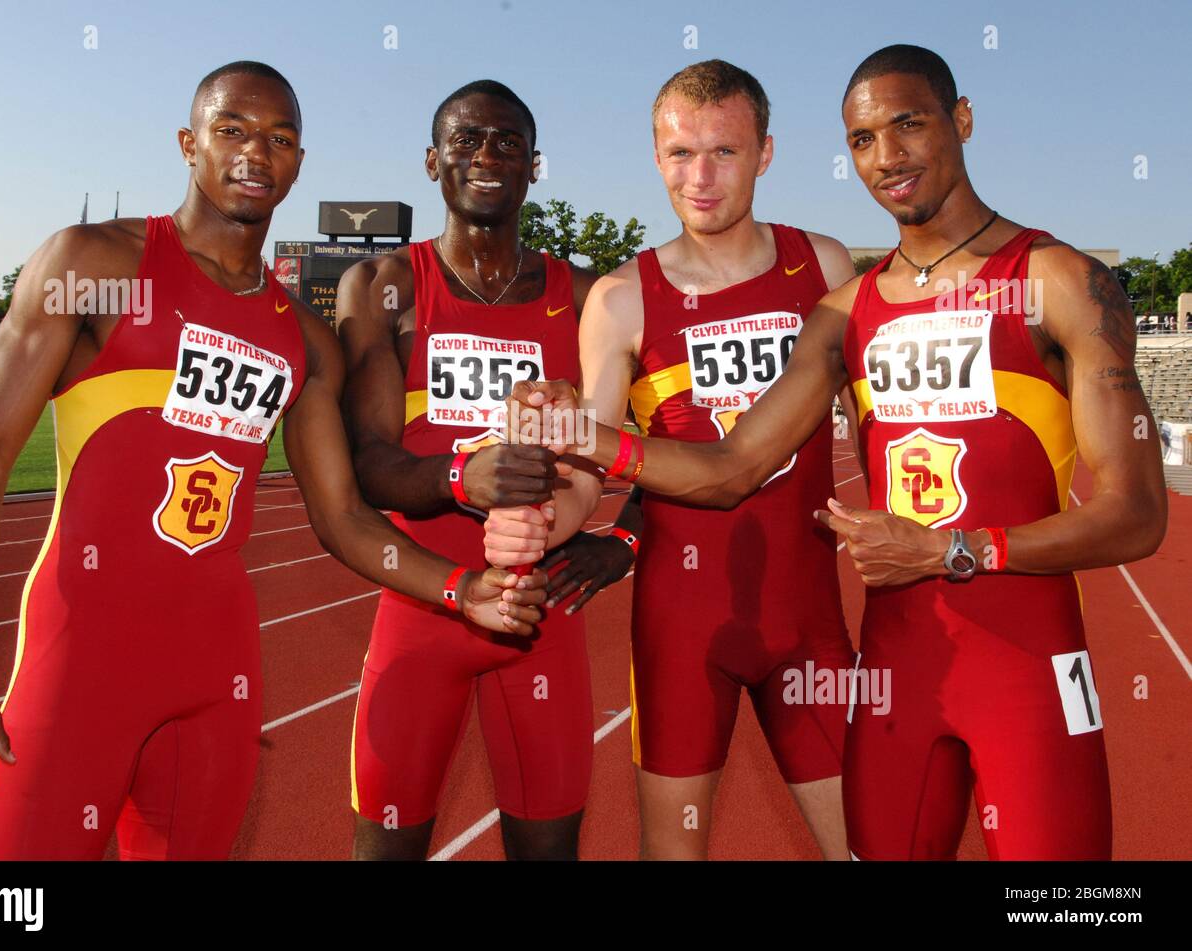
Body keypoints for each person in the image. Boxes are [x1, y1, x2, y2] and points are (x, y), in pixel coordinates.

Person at [491, 45, 1167, 860]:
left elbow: (1134, 513)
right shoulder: (839, 311)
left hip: (980, 656)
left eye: (908, 125)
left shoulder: (1027, 280)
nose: (888, 156)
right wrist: (564, 447)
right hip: (842, 663)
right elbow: (730, 467)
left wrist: (952, 547)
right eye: (863, 139)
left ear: (962, 121)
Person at [0, 62, 546, 861]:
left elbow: (345, 517)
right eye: (232, 130)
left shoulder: (303, 340)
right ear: (189, 144)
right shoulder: (97, 265)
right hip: (76, 667)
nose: (257, 152)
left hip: (217, 681)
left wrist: (465, 593)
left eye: (280, 138)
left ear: (299, 161)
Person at [485, 60, 856, 860]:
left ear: (765, 153)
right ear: (656, 158)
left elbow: (878, 437)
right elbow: (585, 480)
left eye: (724, 151)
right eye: (681, 154)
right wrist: (532, 507)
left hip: (811, 624)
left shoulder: (824, 269)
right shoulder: (621, 298)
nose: (702, 177)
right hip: (683, 633)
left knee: (874, 844)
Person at [335, 80, 599, 860]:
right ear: (431, 162)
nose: (487, 156)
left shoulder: (585, 296)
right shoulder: (385, 285)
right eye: (466, 141)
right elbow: (370, 463)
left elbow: (666, 438)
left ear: (534, 166)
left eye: (509, 143)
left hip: (541, 613)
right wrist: (461, 477)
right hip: (424, 604)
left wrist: (625, 542)